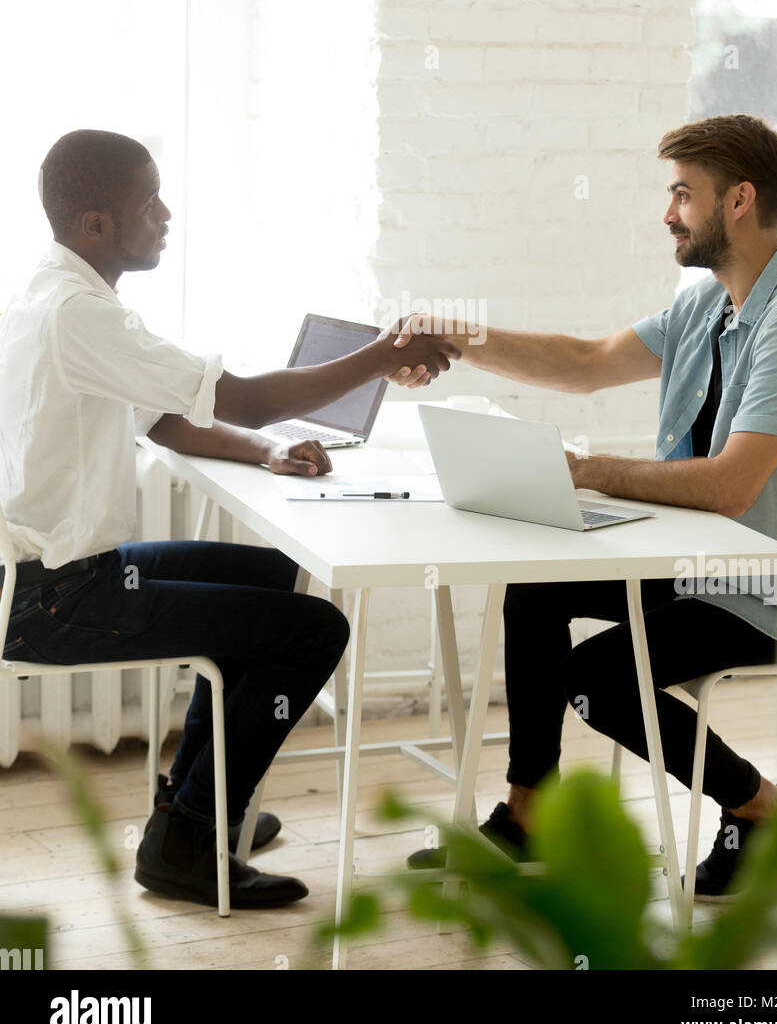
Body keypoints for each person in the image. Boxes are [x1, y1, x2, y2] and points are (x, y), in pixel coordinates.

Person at [0, 128, 456, 909]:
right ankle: (187, 841)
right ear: (97, 225)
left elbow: (163, 415)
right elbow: (239, 393)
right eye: (149, 203)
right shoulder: (80, 315)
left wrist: (263, 453)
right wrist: (383, 357)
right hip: (55, 601)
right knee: (313, 631)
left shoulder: (55, 293)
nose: (167, 214)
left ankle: (194, 810)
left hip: (61, 576)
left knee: (272, 575)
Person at [396, 114, 777, 900]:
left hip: (772, 582)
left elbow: (730, 486)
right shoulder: (705, 307)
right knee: (538, 587)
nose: (668, 212)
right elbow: (585, 364)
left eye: (683, 194)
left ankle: (756, 805)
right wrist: (457, 335)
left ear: (740, 201)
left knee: (600, 677)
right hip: (699, 562)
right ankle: (527, 818)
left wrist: (584, 471)